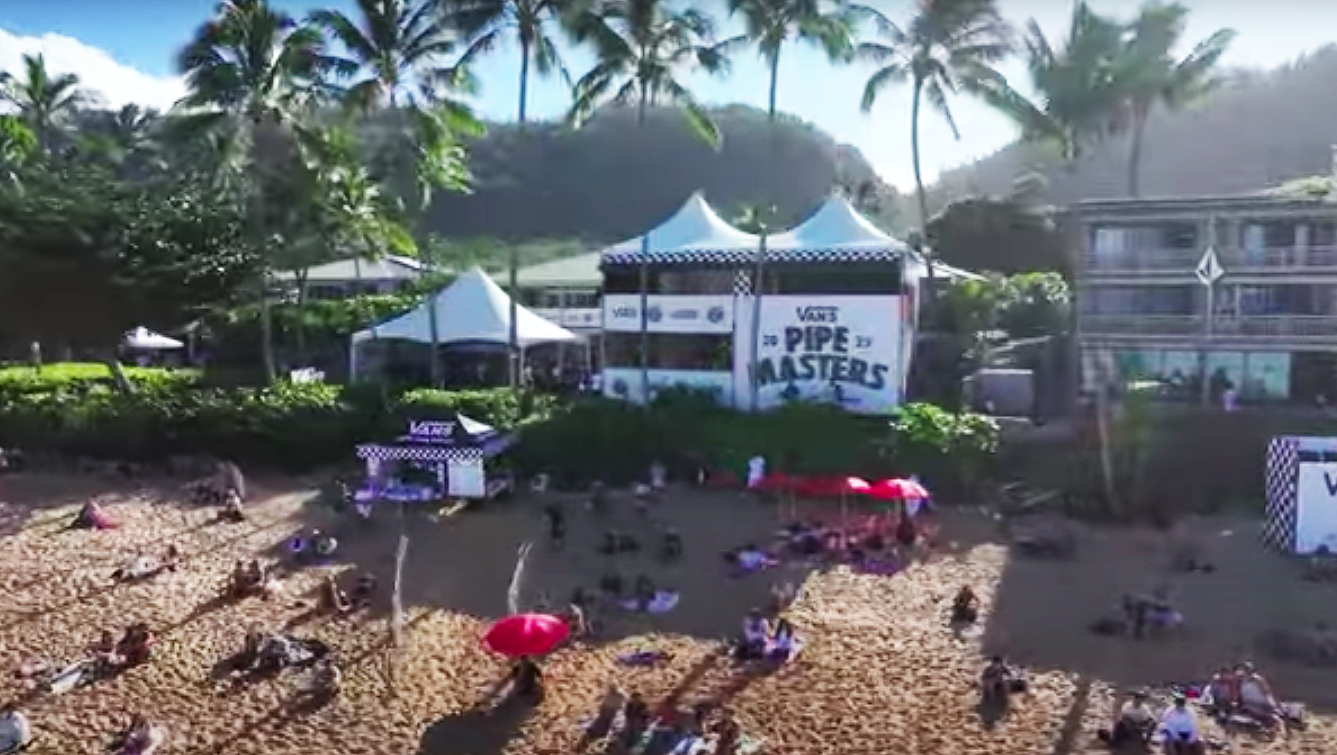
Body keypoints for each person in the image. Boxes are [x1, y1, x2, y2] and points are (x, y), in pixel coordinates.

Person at [1236, 662, 1283, 727]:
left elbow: (1267, 692)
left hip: (1261, 706)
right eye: (1245, 670)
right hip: (1249, 706)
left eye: (1247, 670)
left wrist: (1272, 705)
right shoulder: (1240, 681)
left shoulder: (1258, 680)